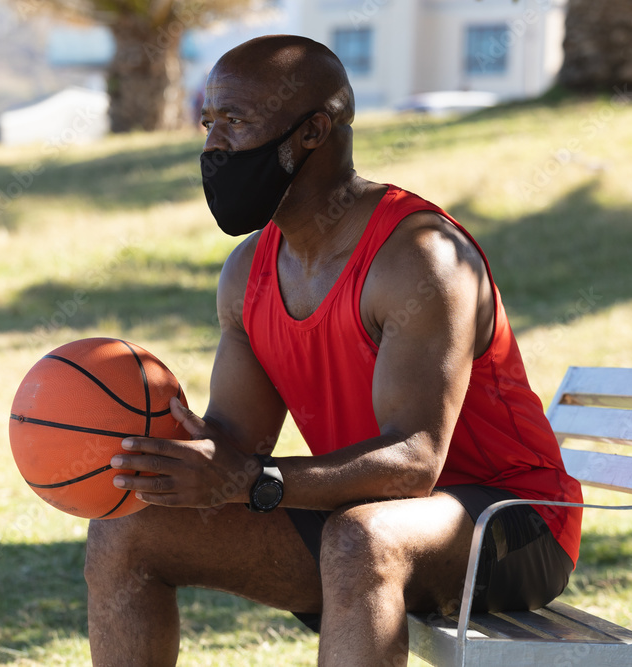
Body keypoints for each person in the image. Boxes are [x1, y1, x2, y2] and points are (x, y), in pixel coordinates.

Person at [85, 35, 583, 666]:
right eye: (209, 123)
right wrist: (148, 452)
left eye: (236, 122)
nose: (214, 146)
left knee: (359, 541)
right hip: (368, 517)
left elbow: (414, 460)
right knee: (127, 528)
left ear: (313, 131)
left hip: (514, 521)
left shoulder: (417, 257)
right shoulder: (247, 273)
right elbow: (237, 441)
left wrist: (249, 480)